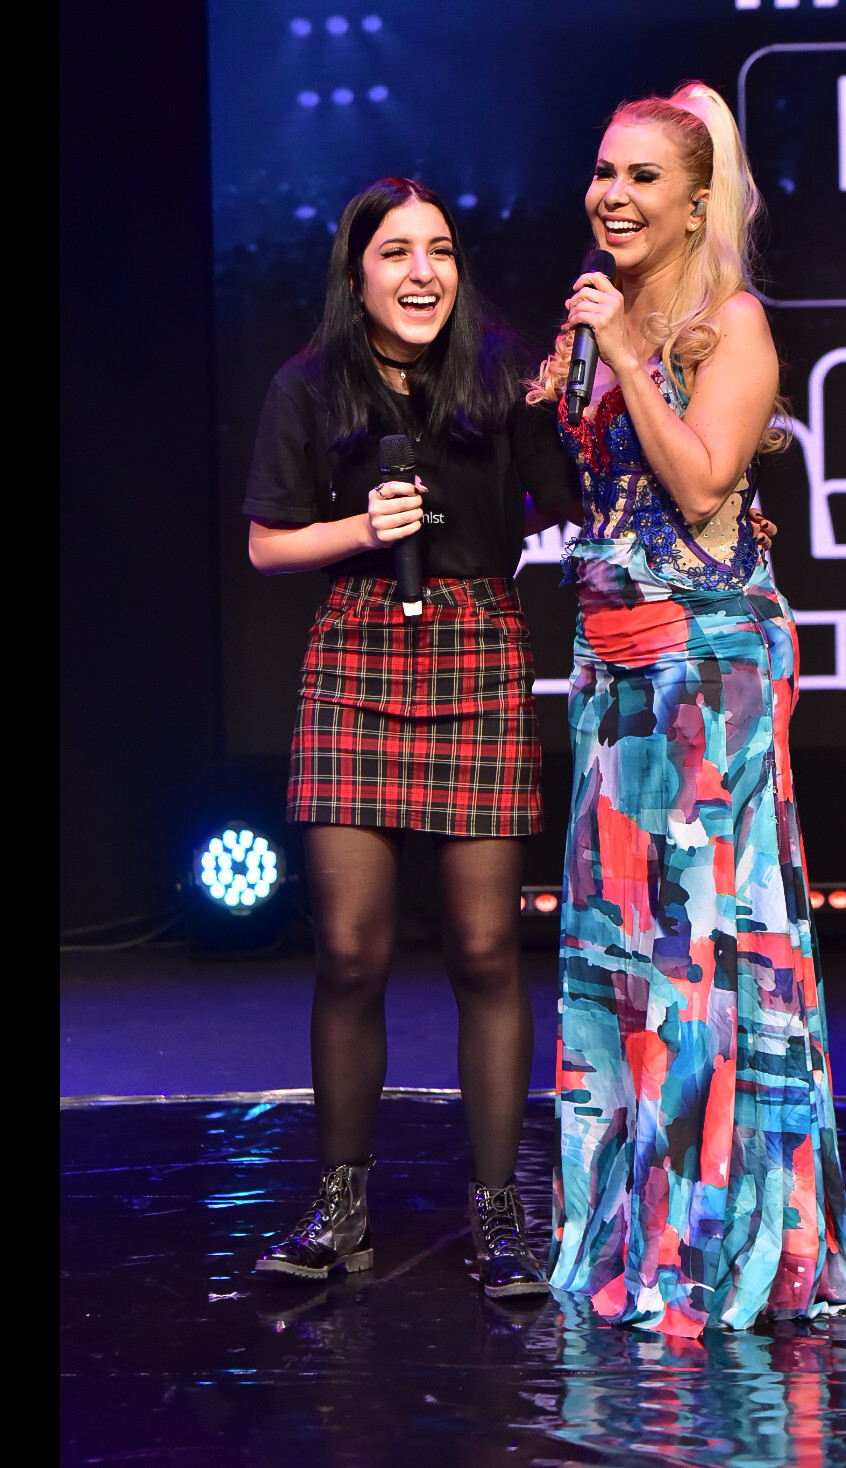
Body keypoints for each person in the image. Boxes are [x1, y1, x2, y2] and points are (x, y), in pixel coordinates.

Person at [533, 84, 846, 1336]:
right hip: (615, 669)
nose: (613, 195)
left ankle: (713, 1247)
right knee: (620, 967)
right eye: (604, 171)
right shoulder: (605, 319)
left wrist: (627, 364)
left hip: (709, 673)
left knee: (701, 957)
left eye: (643, 177)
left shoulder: (729, 324)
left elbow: (703, 484)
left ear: (698, 200)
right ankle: (622, 1235)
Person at [243, 176, 581, 1296]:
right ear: (357, 274)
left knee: (485, 951)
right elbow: (264, 546)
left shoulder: (499, 366)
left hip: (480, 648)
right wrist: (354, 526)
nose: (422, 272)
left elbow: (563, 500)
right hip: (355, 650)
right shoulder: (308, 383)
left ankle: (499, 1217)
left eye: (439, 250)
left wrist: (570, 405)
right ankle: (341, 1210)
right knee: (351, 953)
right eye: (396, 253)